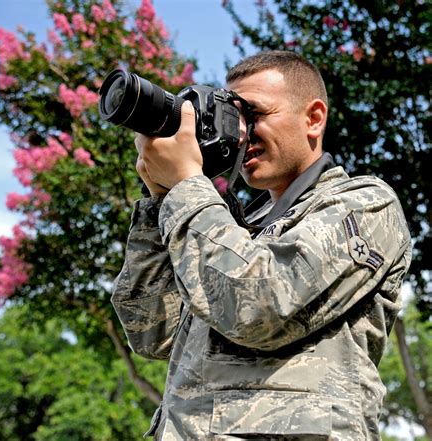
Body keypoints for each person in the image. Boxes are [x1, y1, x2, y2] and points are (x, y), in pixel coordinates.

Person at [111, 50, 412, 440]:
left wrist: (187, 185)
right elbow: (152, 332)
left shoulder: (366, 204)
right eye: (232, 118)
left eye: (254, 115)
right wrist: (159, 201)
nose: (241, 133)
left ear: (314, 118)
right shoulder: (229, 228)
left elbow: (258, 306)